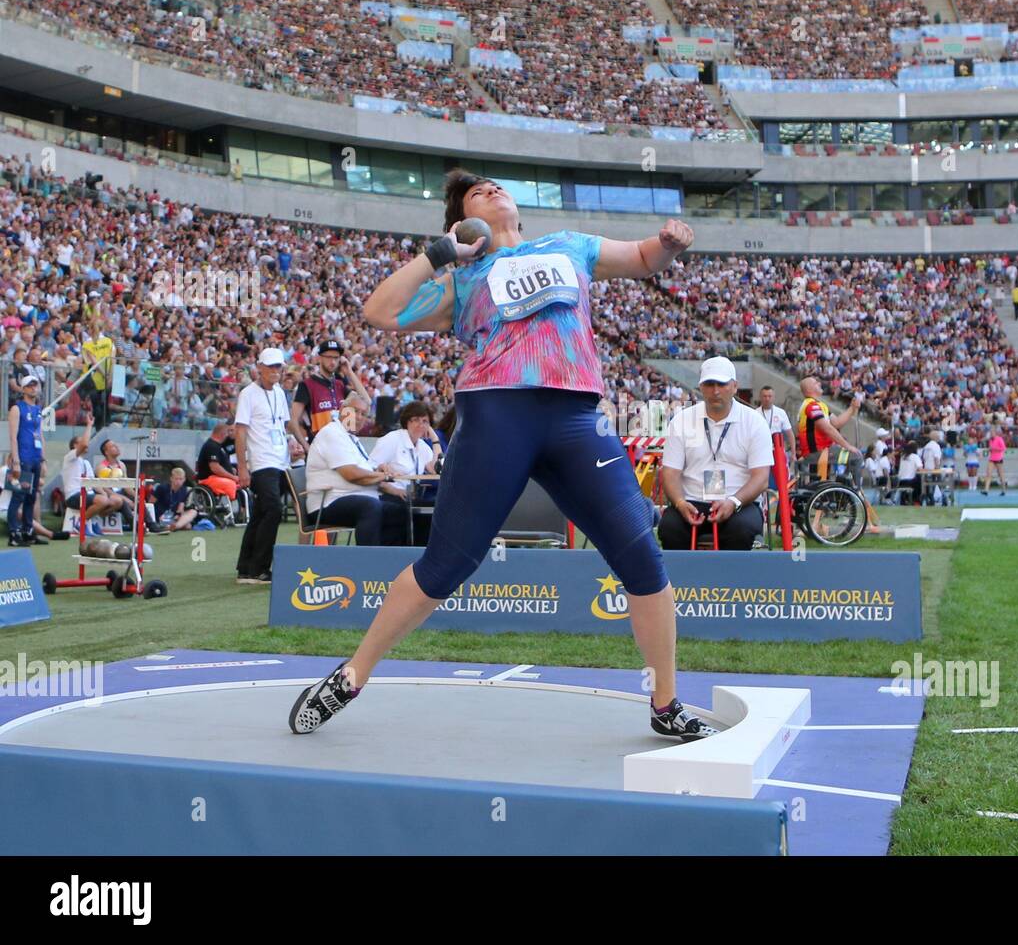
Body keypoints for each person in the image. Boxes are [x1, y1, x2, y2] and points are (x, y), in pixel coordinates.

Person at [289, 168, 716, 742]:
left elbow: (642, 258)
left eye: (495, 185)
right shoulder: (462, 278)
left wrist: (667, 244)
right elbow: (380, 312)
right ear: (463, 221)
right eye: (474, 193)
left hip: (577, 417)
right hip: (495, 418)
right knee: (446, 566)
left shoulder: (569, 246)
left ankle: (665, 703)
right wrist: (442, 253)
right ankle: (350, 676)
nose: (490, 189)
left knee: (641, 551)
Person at [658, 356, 772, 551]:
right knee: (669, 528)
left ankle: (731, 581)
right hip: (692, 501)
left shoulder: (754, 422)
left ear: (735, 386)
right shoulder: (681, 420)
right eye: (709, 384)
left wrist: (733, 502)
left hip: (739, 503)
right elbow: (670, 472)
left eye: (722, 384)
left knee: (741, 529)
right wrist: (679, 503)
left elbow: (761, 478)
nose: (716, 391)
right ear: (701, 387)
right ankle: (681, 581)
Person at [305, 404, 408, 546]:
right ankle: (366, 562)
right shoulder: (332, 433)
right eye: (355, 411)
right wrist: (383, 476)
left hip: (354, 498)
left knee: (400, 511)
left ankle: (389, 561)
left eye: (363, 413)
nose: (359, 417)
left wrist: (380, 472)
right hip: (328, 502)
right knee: (370, 507)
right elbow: (351, 474)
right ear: (342, 411)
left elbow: (366, 472)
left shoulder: (351, 438)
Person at [233, 348, 291, 584]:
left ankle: (246, 567)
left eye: (278, 366)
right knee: (274, 510)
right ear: (260, 367)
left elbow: (283, 426)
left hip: (280, 460)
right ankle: (259, 567)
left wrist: (294, 445)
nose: (275, 371)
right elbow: (240, 430)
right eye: (271, 366)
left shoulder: (279, 392)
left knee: (261, 513)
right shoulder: (248, 394)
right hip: (261, 461)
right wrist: (243, 467)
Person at [369, 400, 439, 544]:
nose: (420, 425)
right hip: (387, 494)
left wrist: (435, 439)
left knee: (435, 509)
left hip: (410, 497)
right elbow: (370, 470)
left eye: (425, 421)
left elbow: (436, 467)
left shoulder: (421, 445)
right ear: (407, 421)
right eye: (416, 420)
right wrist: (394, 490)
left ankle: (421, 554)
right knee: (404, 511)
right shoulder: (393, 439)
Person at [289, 339, 372, 447]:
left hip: (342, 447)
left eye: (336, 358)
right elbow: (293, 421)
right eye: (328, 357)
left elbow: (366, 401)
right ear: (320, 358)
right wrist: (307, 448)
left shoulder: (339, 385)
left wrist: (349, 372)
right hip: (320, 449)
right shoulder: (307, 385)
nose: (332, 361)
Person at [794, 376, 864, 487]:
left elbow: (836, 423)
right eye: (815, 382)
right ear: (809, 389)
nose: (819, 383)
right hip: (818, 451)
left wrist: (852, 408)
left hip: (822, 450)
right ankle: (855, 493)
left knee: (853, 456)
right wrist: (847, 446)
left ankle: (843, 488)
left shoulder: (820, 405)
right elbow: (827, 428)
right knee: (856, 456)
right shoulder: (811, 406)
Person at [60, 413, 120, 536]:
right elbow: (85, 444)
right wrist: (89, 425)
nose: (85, 443)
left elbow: (93, 483)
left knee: (116, 501)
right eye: (81, 441)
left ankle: (94, 520)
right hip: (73, 495)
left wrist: (105, 494)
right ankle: (81, 523)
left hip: (88, 494)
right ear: (75, 446)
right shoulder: (70, 457)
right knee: (102, 501)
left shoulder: (86, 462)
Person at [7, 375, 45, 546]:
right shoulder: (17, 409)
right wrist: (15, 460)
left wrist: (43, 458)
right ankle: (14, 534)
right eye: (29, 386)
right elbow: (13, 437)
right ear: (23, 389)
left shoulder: (38, 409)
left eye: (35, 385)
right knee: (19, 496)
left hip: (36, 458)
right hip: (23, 457)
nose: (33, 388)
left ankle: (28, 531)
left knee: (31, 497)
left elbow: (40, 434)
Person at [195, 422, 240, 511]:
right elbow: (215, 468)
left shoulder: (218, 446)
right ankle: (234, 510)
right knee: (231, 484)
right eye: (228, 432)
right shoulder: (211, 446)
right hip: (209, 479)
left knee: (243, 482)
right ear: (222, 434)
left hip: (217, 478)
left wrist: (231, 470)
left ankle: (243, 510)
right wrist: (232, 477)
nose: (228, 435)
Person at [79, 318, 115, 430]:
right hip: (107, 378)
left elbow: (94, 362)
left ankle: (98, 430)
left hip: (93, 378)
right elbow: (113, 359)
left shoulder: (87, 344)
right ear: (102, 328)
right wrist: (110, 375)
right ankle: (105, 429)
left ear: (90, 329)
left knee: (97, 406)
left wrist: (104, 374)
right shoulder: (109, 341)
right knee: (104, 405)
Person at [151, 467, 198, 532]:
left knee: (193, 512)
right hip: (161, 516)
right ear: (171, 478)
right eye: (176, 479)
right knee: (187, 525)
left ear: (184, 479)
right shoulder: (161, 488)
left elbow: (180, 509)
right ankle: (172, 526)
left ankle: (175, 526)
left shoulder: (184, 490)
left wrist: (177, 516)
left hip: (173, 516)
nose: (178, 481)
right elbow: (150, 504)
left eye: (180, 479)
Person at [981, 426, 1007, 496]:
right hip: (992, 458)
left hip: (998, 459)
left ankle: (1003, 489)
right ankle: (986, 490)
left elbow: (1004, 448)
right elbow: (991, 449)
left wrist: (994, 448)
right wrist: (990, 449)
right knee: (988, 474)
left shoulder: (999, 439)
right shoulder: (991, 440)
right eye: (991, 433)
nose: (991, 434)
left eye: (992, 433)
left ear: (995, 433)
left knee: (1001, 475)